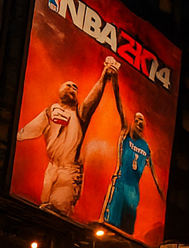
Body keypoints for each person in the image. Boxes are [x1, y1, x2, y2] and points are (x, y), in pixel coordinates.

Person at [17, 56, 120, 215]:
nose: (72, 87)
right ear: (60, 91)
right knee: (44, 208)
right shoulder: (51, 110)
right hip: (52, 168)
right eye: (69, 85)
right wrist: (16, 136)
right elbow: (30, 129)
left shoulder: (80, 114)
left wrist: (103, 77)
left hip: (70, 171)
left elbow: (92, 100)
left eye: (75, 87)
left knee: (58, 212)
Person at [101, 73, 163, 235]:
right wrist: (115, 83)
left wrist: (162, 194)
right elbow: (120, 107)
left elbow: (155, 174)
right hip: (120, 183)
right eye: (136, 119)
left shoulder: (146, 147)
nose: (139, 122)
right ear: (132, 122)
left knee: (127, 232)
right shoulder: (126, 134)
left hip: (134, 191)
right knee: (110, 227)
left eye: (142, 120)